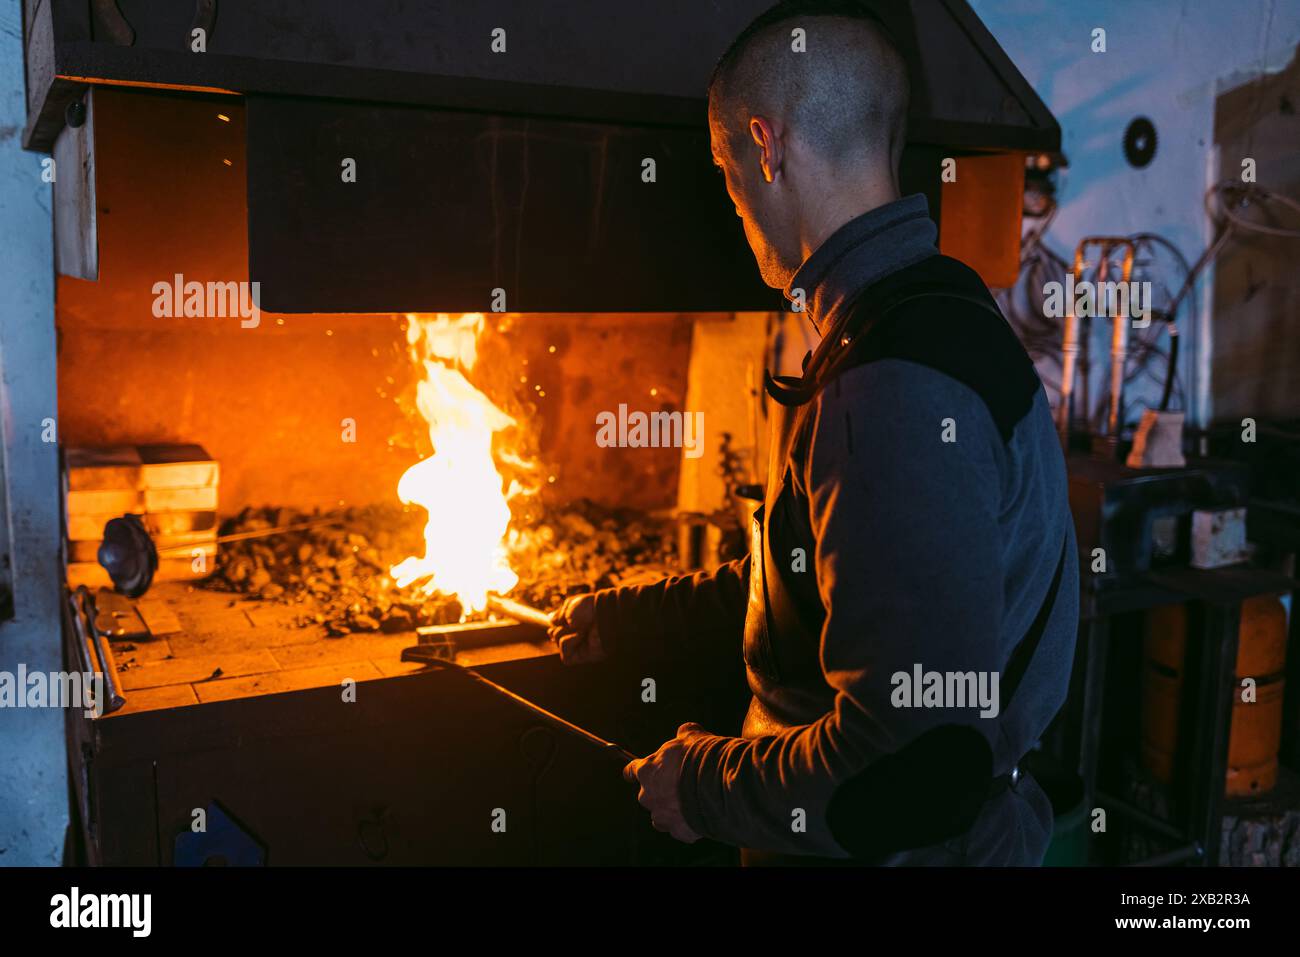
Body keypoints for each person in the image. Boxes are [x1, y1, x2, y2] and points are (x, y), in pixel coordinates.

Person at [548, 0, 1078, 865]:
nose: (734, 203)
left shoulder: (894, 388)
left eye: (725, 170)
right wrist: (632, 617)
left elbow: (911, 769)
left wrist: (704, 784)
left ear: (767, 145)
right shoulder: (928, 308)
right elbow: (825, 578)